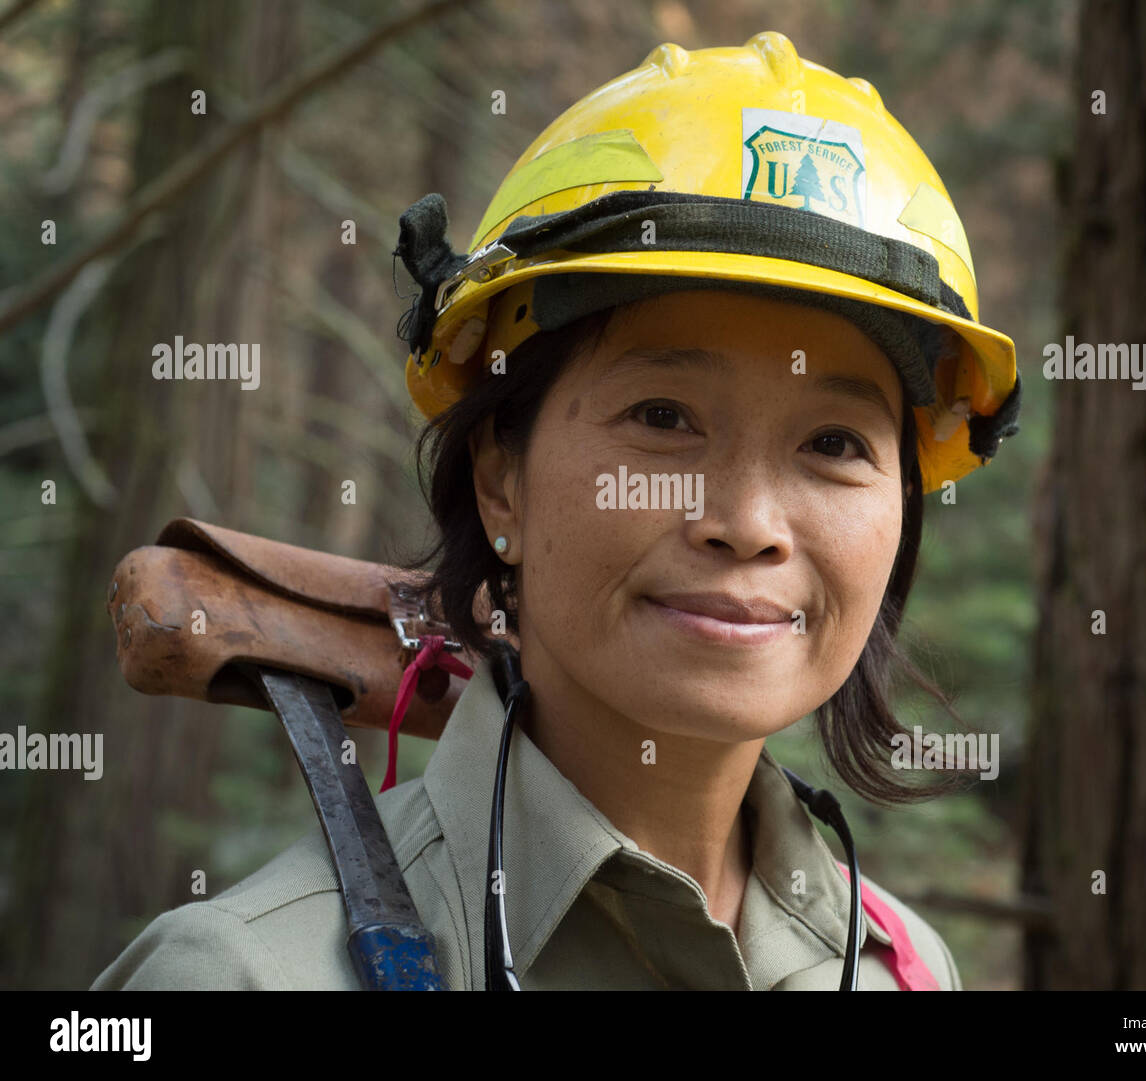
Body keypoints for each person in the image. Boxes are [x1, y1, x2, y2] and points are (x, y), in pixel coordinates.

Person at [92, 30, 1019, 991]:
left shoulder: (904, 967)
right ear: (502, 479)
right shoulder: (238, 975)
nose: (748, 523)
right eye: (663, 417)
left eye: (833, 443)